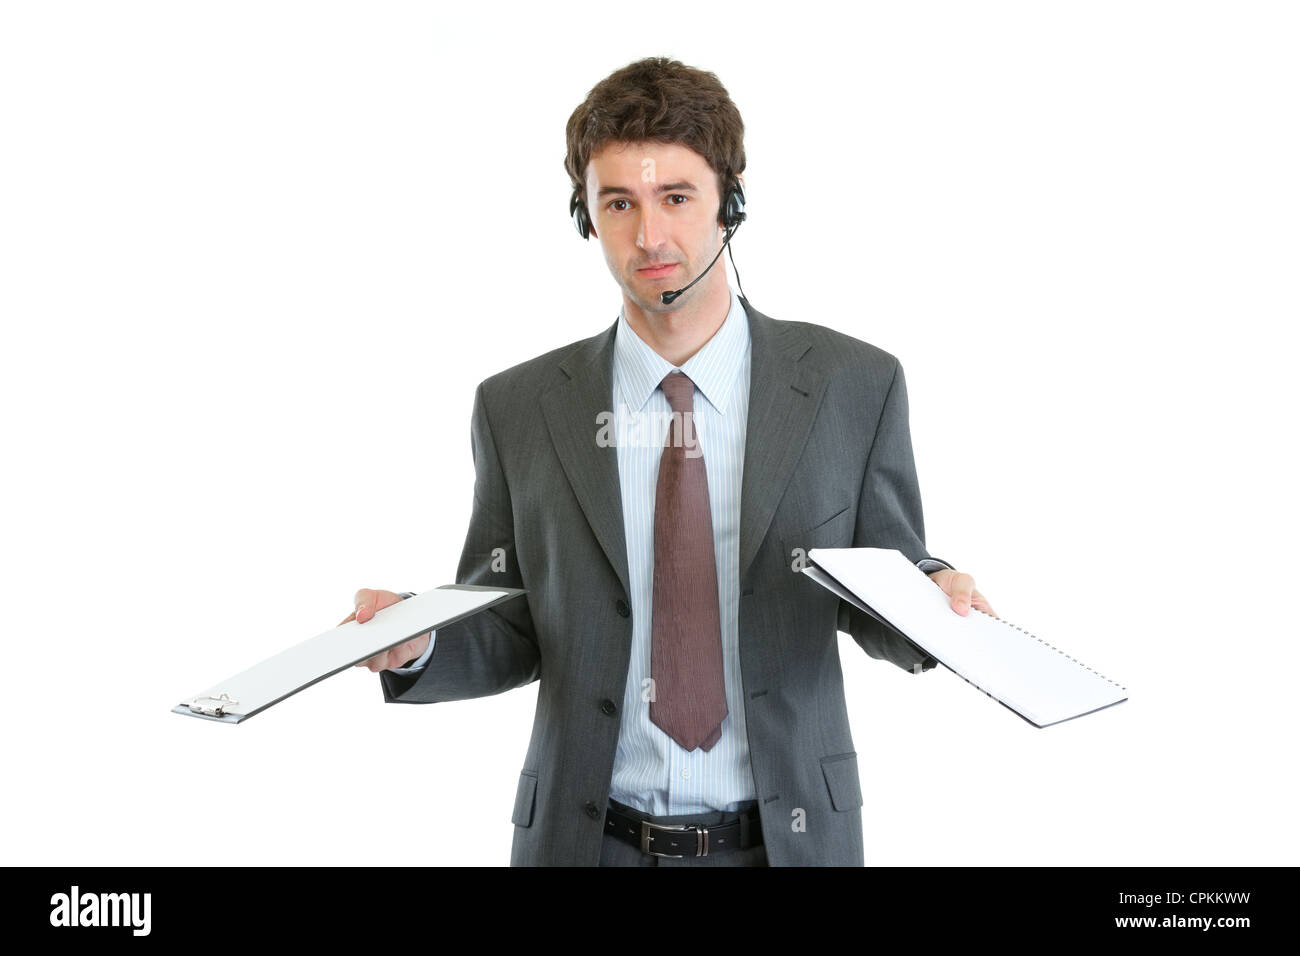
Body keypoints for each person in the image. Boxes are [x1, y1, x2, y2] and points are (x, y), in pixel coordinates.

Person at [343, 56, 995, 866]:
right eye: (619, 203)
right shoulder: (517, 407)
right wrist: (418, 642)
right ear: (585, 215)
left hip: (788, 843)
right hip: (589, 844)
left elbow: (880, 584)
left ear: (734, 199)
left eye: (676, 198)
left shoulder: (852, 386)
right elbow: (511, 622)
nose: (648, 236)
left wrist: (933, 596)